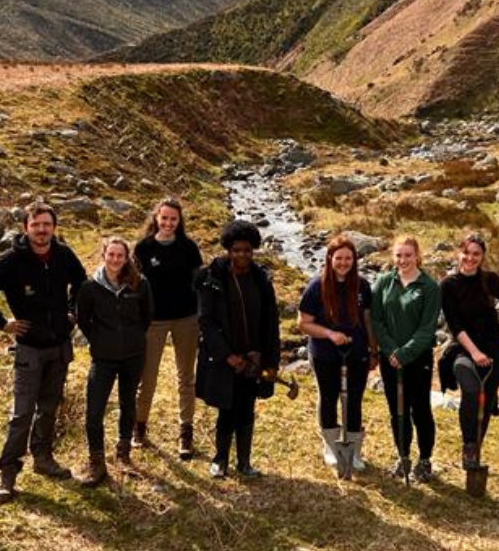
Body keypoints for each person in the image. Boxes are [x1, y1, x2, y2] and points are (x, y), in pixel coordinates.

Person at [0, 201, 88, 504]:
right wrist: (2, 323)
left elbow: (81, 283)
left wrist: (73, 312)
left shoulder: (64, 255)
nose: (41, 230)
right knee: (22, 414)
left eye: (47, 224)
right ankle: (7, 473)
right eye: (36, 225)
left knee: (49, 407)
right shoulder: (10, 261)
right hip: (29, 349)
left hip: (59, 346)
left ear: (54, 227)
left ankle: (43, 458)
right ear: (25, 228)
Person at [196, 219, 282, 479]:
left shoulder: (261, 279)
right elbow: (206, 321)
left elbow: (271, 322)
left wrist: (268, 359)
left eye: (247, 250)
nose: (242, 255)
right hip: (225, 358)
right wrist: (227, 355)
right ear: (228, 250)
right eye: (236, 250)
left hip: (254, 358)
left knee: (246, 408)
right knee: (227, 408)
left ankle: (244, 462)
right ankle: (220, 458)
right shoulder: (212, 278)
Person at [76, 236, 154, 486]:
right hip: (103, 358)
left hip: (133, 356)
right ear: (103, 256)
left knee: (127, 403)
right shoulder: (89, 287)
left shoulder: (140, 284)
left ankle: (123, 454)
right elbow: (82, 319)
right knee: (94, 410)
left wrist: (133, 338)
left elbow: (147, 317)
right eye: (111, 254)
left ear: (126, 258)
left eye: (120, 255)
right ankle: (97, 462)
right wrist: (99, 340)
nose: (115, 259)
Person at [132, 198, 204, 458]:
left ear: (179, 220)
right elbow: (134, 285)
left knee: (186, 377)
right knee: (147, 377)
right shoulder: (143, 248)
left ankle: (186, 432)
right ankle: (139, 427)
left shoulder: (189, 247)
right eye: (164, 218)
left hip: (186, 319)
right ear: (156, 218)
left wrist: (202, 315)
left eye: (174, 219)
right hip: (154, 321)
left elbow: (199, 283)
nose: (169, 223)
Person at [298, 235, 376, 476]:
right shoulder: (316, 287)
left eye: (348, 258)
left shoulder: (362, 286)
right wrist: (330, 334)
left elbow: (368, 320)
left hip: (357, 353)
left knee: (354, 400)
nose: (343, 263)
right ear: (330, 258)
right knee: (329, 397)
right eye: (339, 258)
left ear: (355, 260)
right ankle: (331, 447)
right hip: (325, 354)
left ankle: (354, 451)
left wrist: (373, 350)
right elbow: (303, 323)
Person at [437, 233, 499, 475]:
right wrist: (474, 352)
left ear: (482, 257)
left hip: (493, 347)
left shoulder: (490, 280)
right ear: (459, 253)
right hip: (462, 348)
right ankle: (468, 444)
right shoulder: (448, 285)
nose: (470, 258)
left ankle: (476, 447)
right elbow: (455, 325)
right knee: (470, 388)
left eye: (476, 254)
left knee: (487, 399)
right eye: (466, 253)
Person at [372, 235, 442, 482]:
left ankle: (425, 460)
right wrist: (391, 351)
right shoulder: (384, 282)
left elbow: (427, 328)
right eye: (399, 255)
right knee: (397, 410)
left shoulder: (429, 287)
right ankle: (402, 456)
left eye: (408, 255)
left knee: (420, 409)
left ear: (417, 256)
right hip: (389, 359)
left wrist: (405, 353)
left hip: (418, 359)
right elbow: (376, 320)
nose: (403, 260)